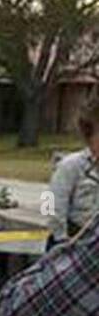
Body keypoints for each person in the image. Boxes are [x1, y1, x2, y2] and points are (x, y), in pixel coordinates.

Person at [44, 94, 99, 246]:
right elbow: (48, 202)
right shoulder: (69, 165)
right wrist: (61, 237)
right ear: (89, 136)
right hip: (69, 240)